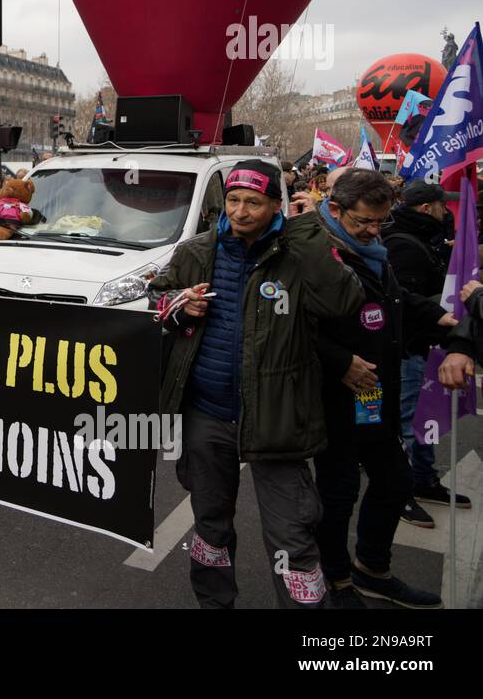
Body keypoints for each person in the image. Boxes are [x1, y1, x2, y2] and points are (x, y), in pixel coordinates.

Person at [149, 159, 365, 608]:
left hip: (279, 420)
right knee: (210, 524)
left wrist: (306, 234)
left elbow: (344, 301)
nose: (241, 212)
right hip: (207, 416)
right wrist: (176, 304)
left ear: (275, 204)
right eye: (233, 200)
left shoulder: (300, 253)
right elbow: (157, 297)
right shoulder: (197, 251)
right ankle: (214, 603)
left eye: (253, 202)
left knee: (292, 535)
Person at [312, 169, 454, 608]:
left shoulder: (373, 249)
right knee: (337, 496)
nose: (375, 230)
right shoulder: (314, 251)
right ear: (335, 210)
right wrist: (340, 363)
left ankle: (372, 567)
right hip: (335, 396)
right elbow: (288, 324)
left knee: (395, 481)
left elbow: (392, 299)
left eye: (381, 221)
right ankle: (333, 579)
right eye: (365, 222)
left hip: (376, 394)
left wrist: (437, 316)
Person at [383, 179, 471, 526]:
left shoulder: (421, 238)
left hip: (423, 344)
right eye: (440, 205)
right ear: (426, 209)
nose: (445, 210)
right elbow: (400, 297)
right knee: (407, 420)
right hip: (408, 347)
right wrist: (436, 310)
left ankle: (424, 479)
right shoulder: (403, 244)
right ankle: (401, 492)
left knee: (424, 416)